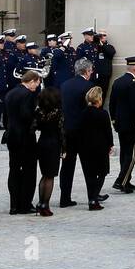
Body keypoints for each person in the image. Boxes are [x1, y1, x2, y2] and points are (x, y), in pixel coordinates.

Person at [2, 67, 41, 215]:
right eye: (36, 84)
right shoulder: (28, 95)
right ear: (31, 81)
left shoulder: (11, 93)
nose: (36, 87)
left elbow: (6, 117)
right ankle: (25, 204)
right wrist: (36, 118)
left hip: (12, 135)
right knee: (29, 171)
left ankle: (14, 204)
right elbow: (26, 116)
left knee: (14, 170)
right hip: (25, 137)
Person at [59, 60, 94, 208]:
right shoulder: (89, 86)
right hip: (83, 132)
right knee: (89, 166)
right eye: (91, 70)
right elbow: (91, 111)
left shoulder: (65, 84)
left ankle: (64, 197)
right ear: (86, 71)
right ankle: (92, 198)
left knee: (67, 166)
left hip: (67, 130)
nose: (91, 72)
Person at [110, 56, 135, 193]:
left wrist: (114, 121)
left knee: (124, 153)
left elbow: (112, 104)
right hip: (131, 125)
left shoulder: (117, 82)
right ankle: (121, 181)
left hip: (120, 124)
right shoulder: (133, 83)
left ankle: (126, 181)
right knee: (131, 154)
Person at [80, 87, 114, 211]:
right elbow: (108, 131)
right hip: (100, 147)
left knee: (90, 174)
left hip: (85, 148)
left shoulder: (83, 113)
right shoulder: (103, 114)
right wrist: (111, 144)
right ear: (98, 99)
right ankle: (94, 197)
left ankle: (91, 199)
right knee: (102, 172)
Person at [33, 87, 64, 216]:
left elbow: (35, 126)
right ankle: (45, 204)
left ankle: (41, 202)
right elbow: (61, 132)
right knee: (50, 176)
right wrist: (64, 148)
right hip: (53, 144)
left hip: (42, 142)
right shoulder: (58, 113)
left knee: (44, 175)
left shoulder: (39, 112)